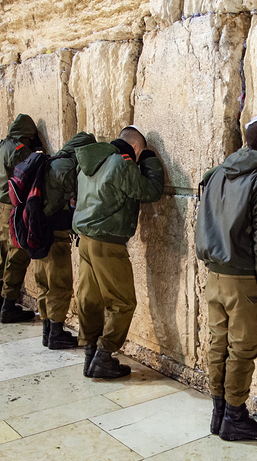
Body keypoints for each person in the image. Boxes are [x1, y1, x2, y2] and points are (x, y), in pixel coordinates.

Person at [195, 114, 257, 442]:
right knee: (242, 350)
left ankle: (218, 412)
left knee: (217, 344)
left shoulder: (218, 173)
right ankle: (235, 416)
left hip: (215, 276)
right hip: (244, 280)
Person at [73, 126, 164, 378]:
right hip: (107, 243)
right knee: (122, 303)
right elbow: (151, 191)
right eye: (140, 153)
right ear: (136, 148)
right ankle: (104, 356)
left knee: (89, 299)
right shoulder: (121, 164)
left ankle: (90, 354)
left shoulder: (90, 163)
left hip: (86, 239)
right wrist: (150, 162)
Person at [35, 131, 96, 349]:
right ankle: (56, 332)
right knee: (59, 285)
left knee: (43, 282)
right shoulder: (67, 167)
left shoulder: (51, 161)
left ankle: (47, 329)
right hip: (56, 234)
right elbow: (78, 195)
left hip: (40, 230)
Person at [0, 114, 39, 322]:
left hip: (1, 206)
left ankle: (1, 301)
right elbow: (29, 171)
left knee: (1, 253)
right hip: (15, 207)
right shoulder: (18, 150)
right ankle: (8, 304)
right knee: (16, 255)